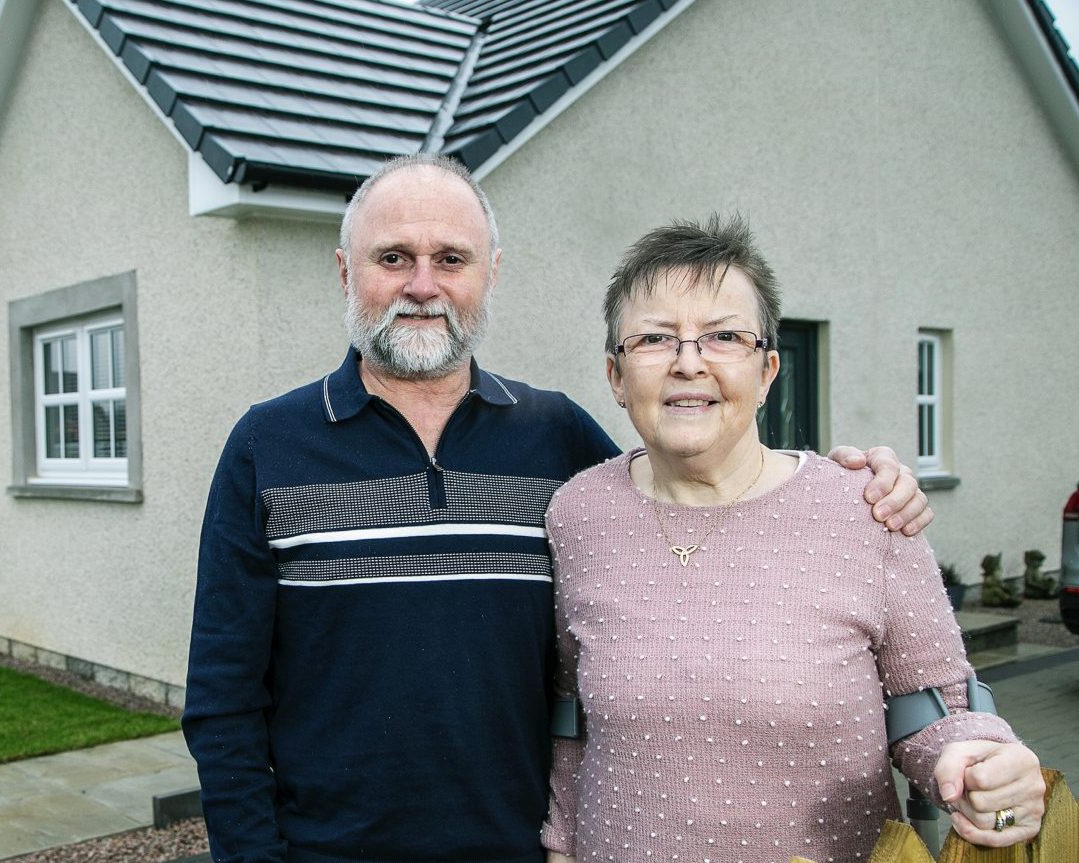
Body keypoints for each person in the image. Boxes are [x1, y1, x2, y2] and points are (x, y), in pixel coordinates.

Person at [183, 155, 931, 863]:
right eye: (391, 258)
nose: (421, 283)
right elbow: (223, 701)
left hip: (524, 848)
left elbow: (693, 487)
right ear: (346, 272)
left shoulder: (555, 435)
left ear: (489, 274)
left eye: (450, 258)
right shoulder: (267, 446)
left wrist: (842, 483)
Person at [541, 216, 1046, 863]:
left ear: (768, 368)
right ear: (615, 374)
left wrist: (984, 768)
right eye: (653, 338)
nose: (687, 362)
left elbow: (942, 709)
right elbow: (569, 713)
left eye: (723, 335)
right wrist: (559, 844)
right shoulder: (577, 513)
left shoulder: (866, 510)